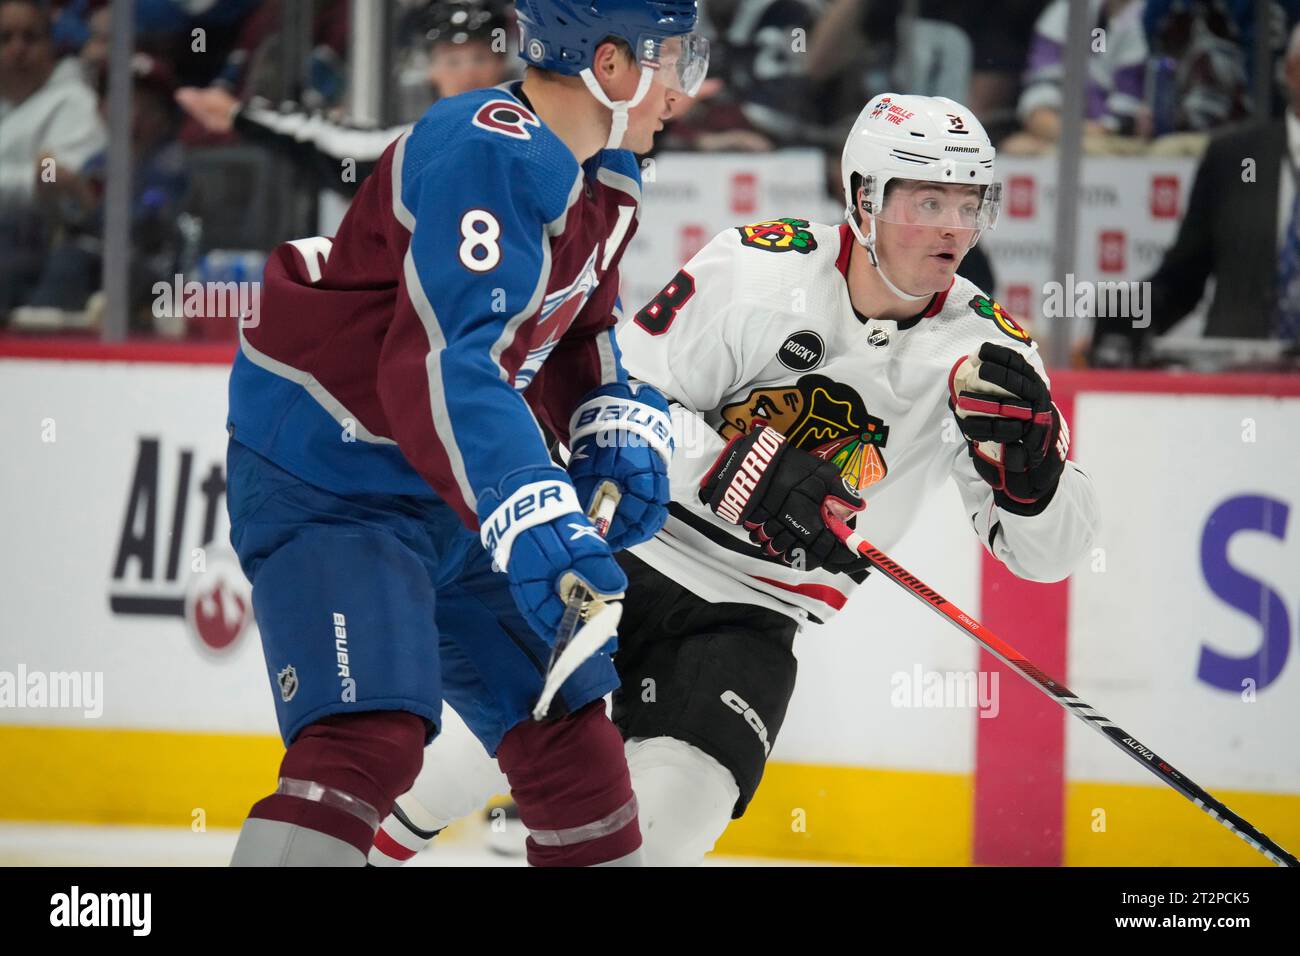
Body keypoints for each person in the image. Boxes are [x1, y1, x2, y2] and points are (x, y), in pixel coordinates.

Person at [371, 92, 1102, 866]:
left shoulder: (991, 357)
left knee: (665, 834)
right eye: (927, 199)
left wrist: (1036, 481)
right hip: (621, 554)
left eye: (970, 203)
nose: (955, 226)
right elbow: (616, 401)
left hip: (750, 616)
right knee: (443, 767)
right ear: (863, 200)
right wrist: (740, 468)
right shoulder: (760, 264)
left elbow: (1049, 557)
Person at [224, 0, 708, 867]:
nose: (686, 82)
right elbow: (443, 366)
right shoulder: (486, 148)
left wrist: (606, 413)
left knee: (570, 740)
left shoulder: (606, 172)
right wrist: (527, 507)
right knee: (366, 739)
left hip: (445, 479)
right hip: (334, 475)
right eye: (671, 57)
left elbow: (572, 322)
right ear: (610, 65)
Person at [0, 0, 106, 319]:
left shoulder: (74, 102)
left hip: (39, 255)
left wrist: (41, 172)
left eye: (29, 37)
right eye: (5, 38)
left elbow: (53, 175)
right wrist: (31, 174)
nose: (17, 49)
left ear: (51, 44)